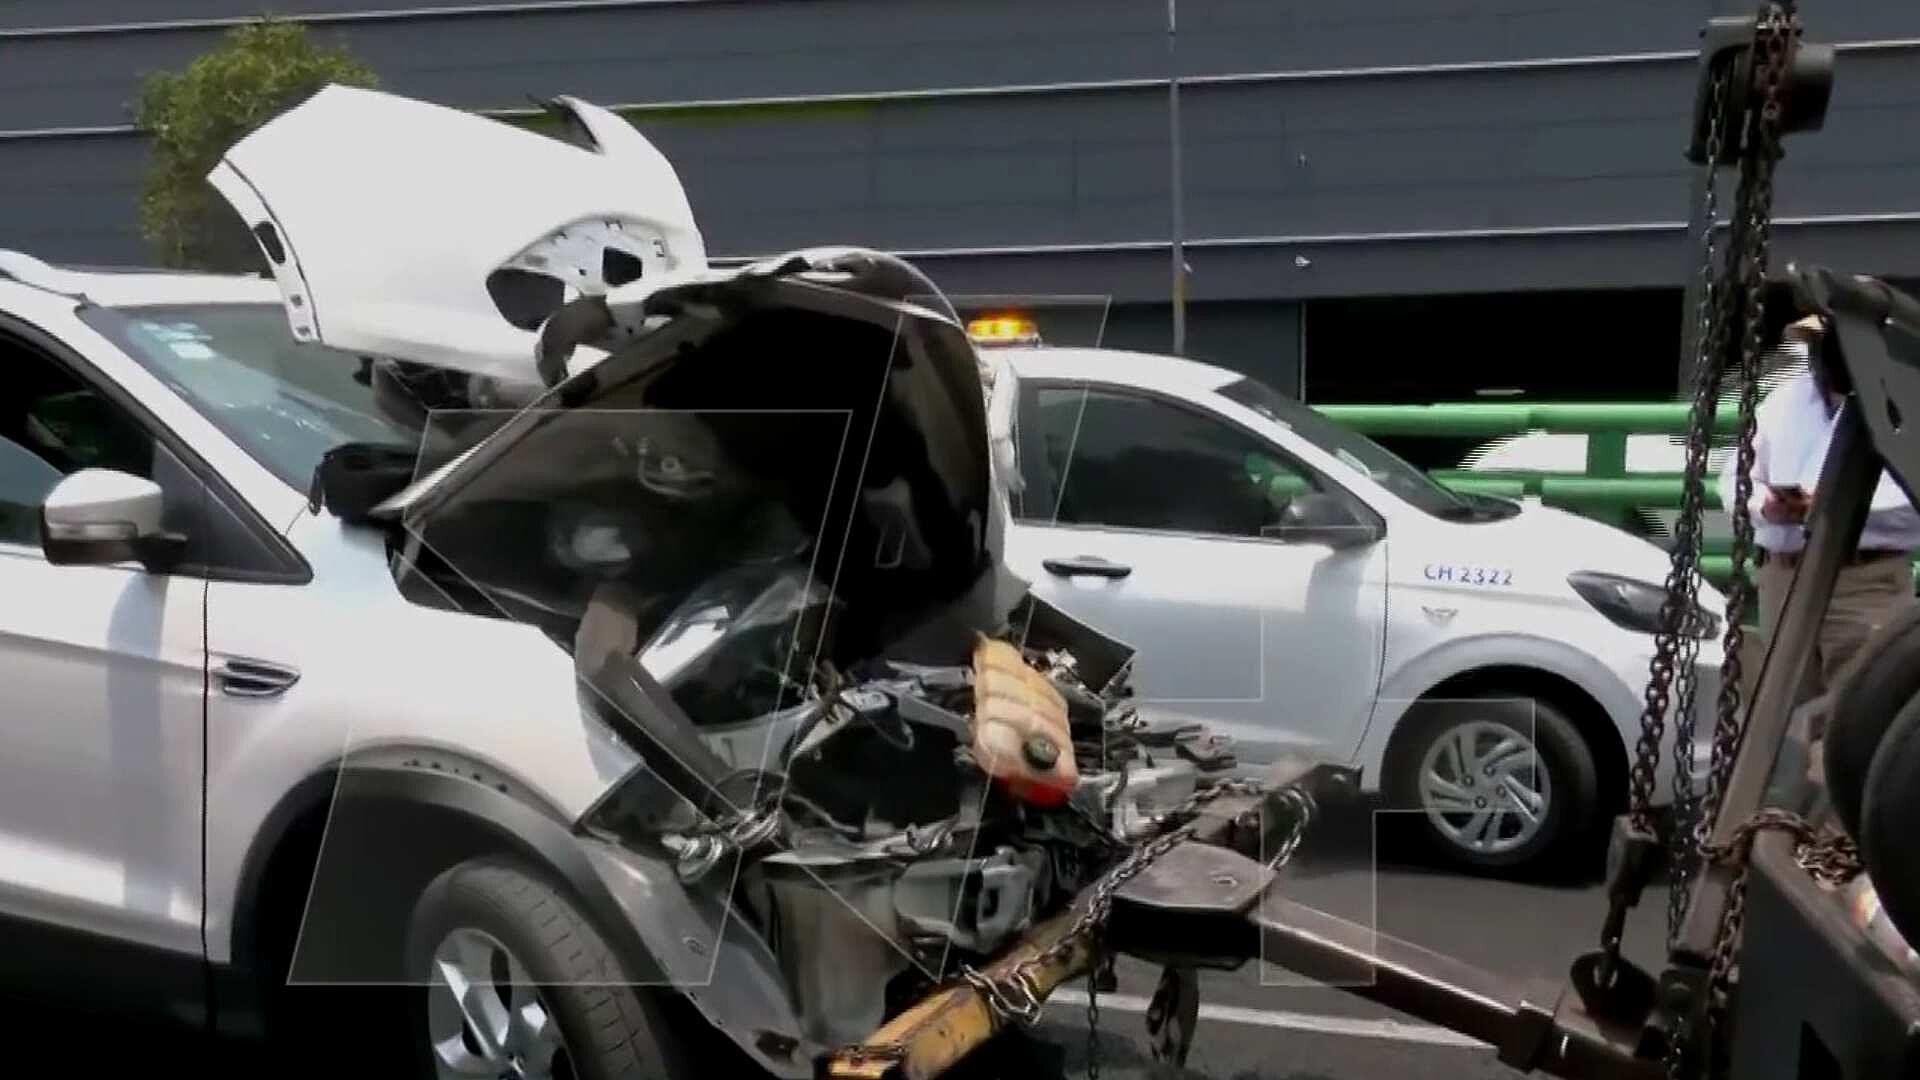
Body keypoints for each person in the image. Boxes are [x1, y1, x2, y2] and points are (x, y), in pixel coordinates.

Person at [1721, 313, 1920, 695]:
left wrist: (1831, 503)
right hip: (1783, 578)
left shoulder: (1907, 401)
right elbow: (1735, 475)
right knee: (1784, 713)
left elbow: (1910, 498)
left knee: (1859, 708)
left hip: (1862, 581)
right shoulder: (1785, 399)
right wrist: (1767, 505)